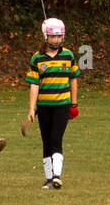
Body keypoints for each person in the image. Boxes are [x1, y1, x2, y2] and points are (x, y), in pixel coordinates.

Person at [26, 17, 80, 188]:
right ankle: (49, 178)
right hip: (43, 107)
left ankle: (57, 176)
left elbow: (73, 80)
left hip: (62, 105)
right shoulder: (37, 58)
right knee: (46, 141)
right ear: (45, 36)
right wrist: (31, 108)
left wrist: (74, 103)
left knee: (56, 138)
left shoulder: (68, 55)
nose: (56, 39)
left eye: (59, 36)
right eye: (53, 36)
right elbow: (34, 85)